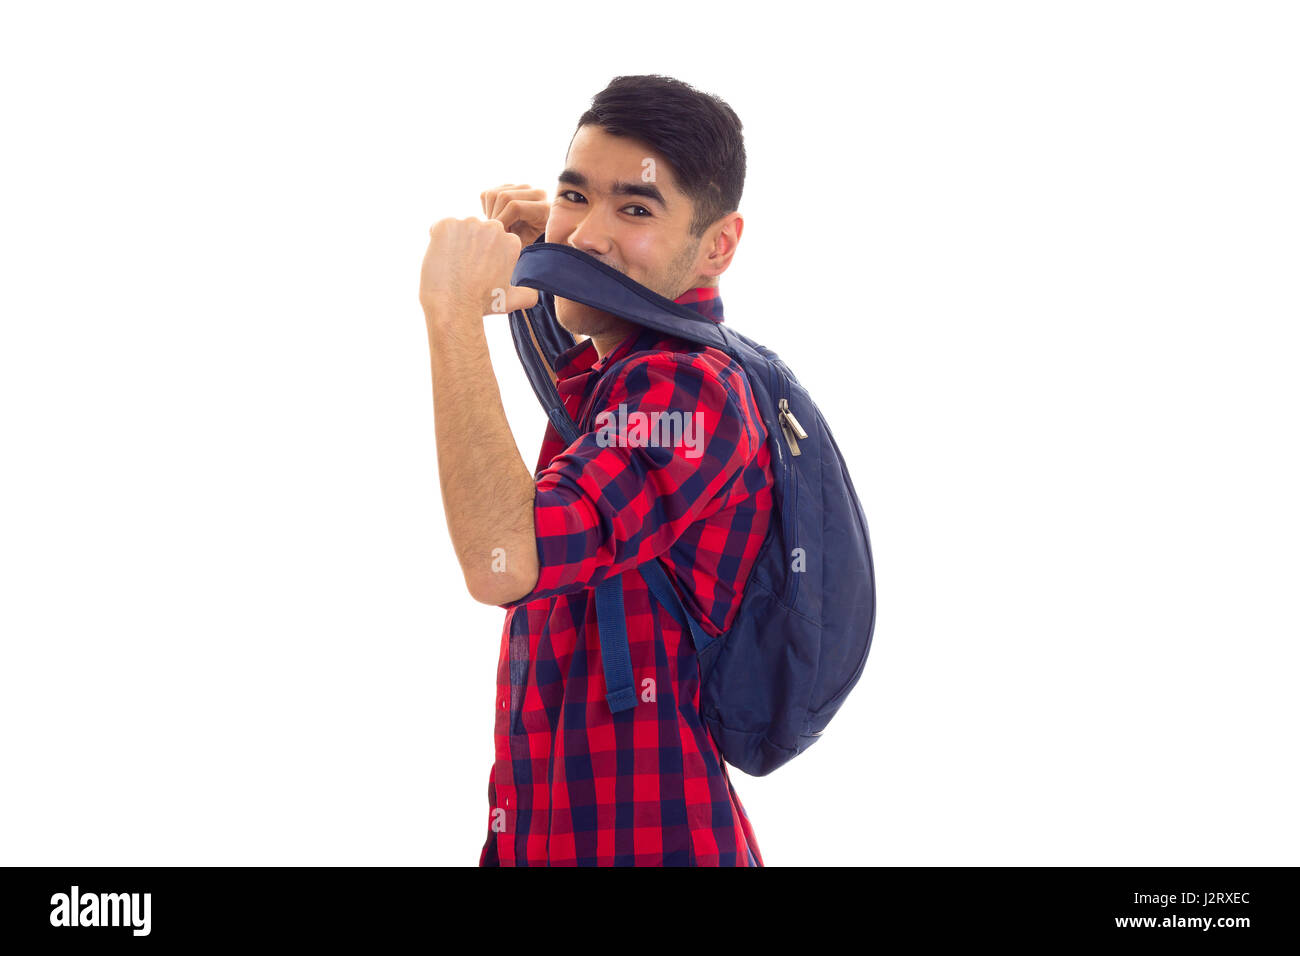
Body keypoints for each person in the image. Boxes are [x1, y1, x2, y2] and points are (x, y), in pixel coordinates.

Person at [418, 75, 773, 866]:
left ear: (716, 246)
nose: (587, 233)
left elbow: (503, 560)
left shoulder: (687, 390)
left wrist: (451, 314)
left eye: (637, 208)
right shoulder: (626, 371)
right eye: (577, 195)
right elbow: (580, 361)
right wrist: (562, 241)